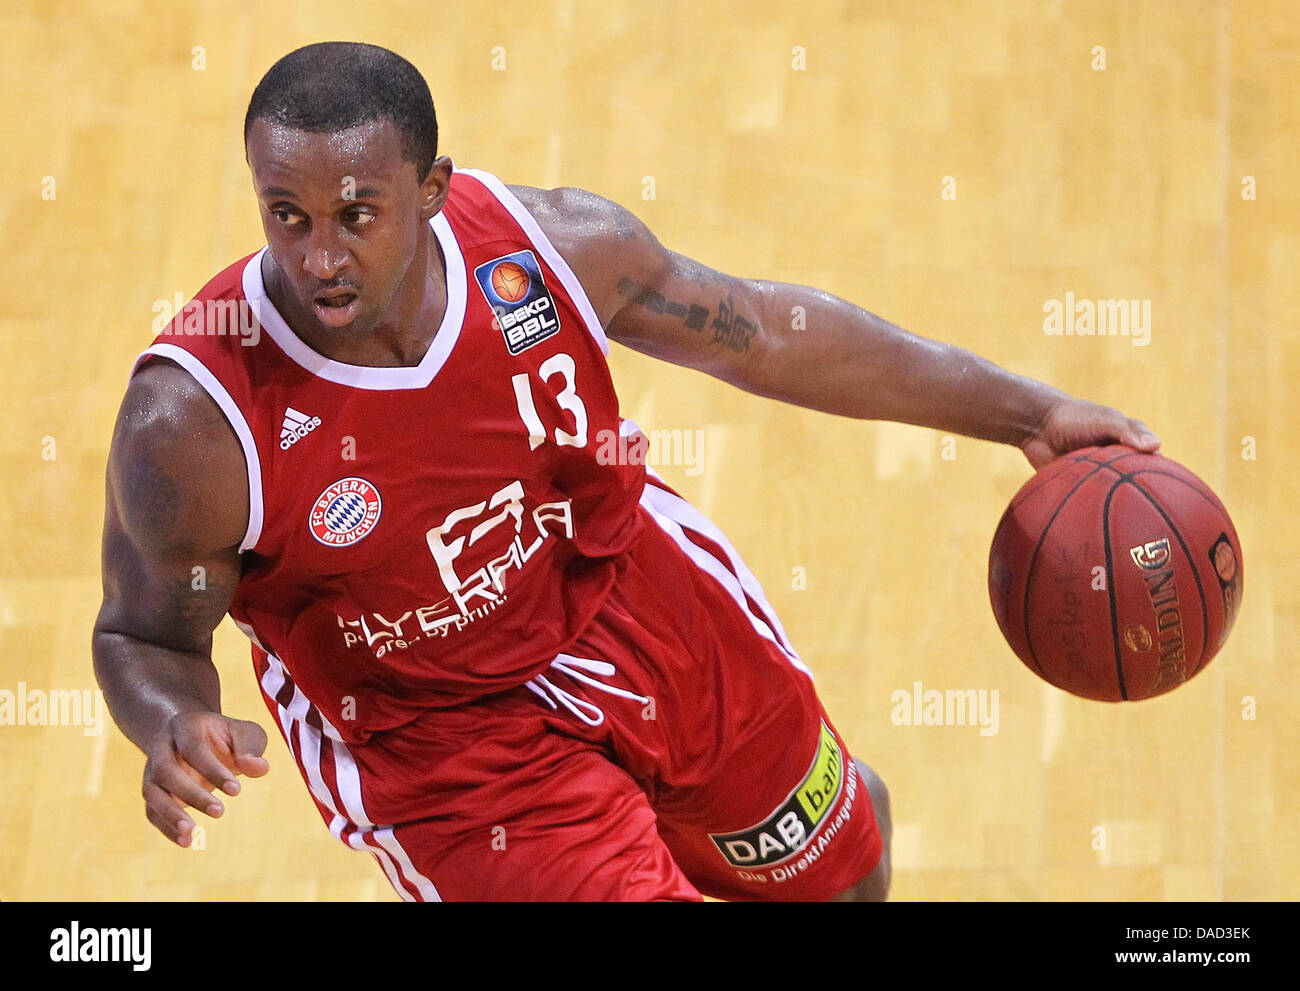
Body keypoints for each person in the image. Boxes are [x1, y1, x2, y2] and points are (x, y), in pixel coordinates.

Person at [92, 41, 1160, 902]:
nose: (318, 255)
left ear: (431, 190)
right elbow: (143, 632)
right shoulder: (193, 424)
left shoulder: (556, 250)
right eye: (286, 214)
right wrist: (170, 722)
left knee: (845, 867)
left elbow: (768, 333)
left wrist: (1031, 412)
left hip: (630, 602)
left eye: (356, 215)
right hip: (440, 742)